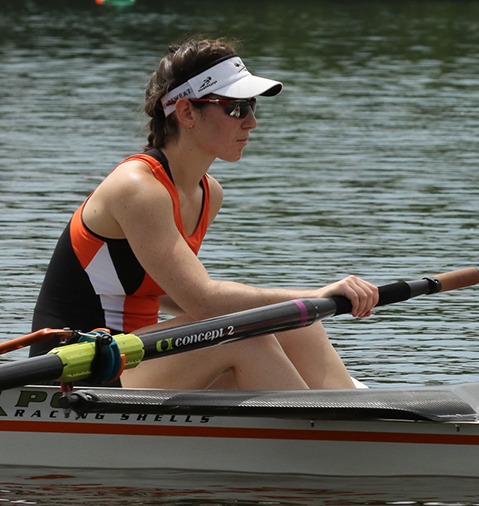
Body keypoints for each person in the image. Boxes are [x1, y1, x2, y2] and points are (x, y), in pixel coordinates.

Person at [29, 38, 378, 391]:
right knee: (246, 334)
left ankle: (355, 424)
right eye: (236, 108)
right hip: (78, 366)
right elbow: (203, 300)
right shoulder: (137, 188)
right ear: (185, 112)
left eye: (252, 106)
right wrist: (316, 294)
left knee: (296, 322)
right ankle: (325, 438)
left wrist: (299, 308)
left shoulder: (207, 193)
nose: (252, 122)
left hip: (138, 353)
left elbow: (173, 295)